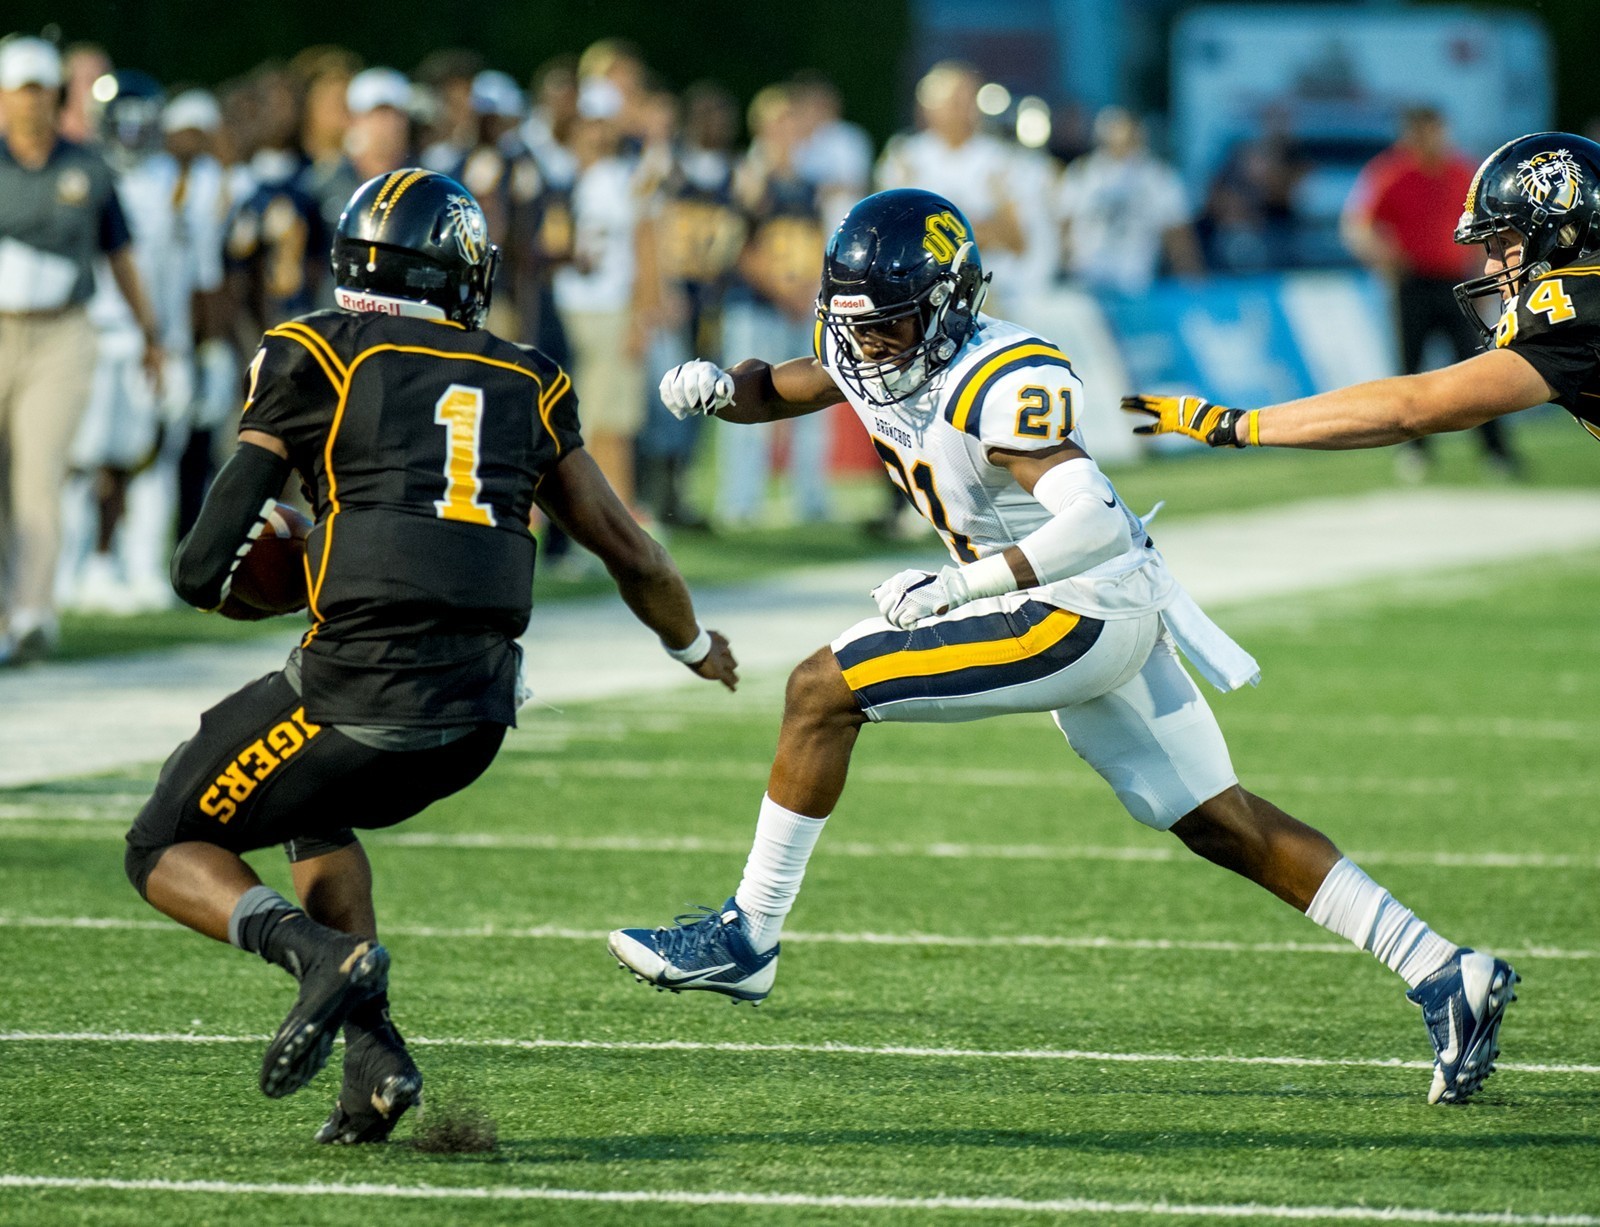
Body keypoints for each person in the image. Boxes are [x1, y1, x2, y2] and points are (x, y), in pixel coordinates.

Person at [610, 188, 1516, 1106]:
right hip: (1089, 608)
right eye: (855, 325)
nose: (865, 347)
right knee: (1217, 817)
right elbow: (791, 382)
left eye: (887, 327)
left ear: (949, 306)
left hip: (1072, 606)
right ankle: (1443, 968)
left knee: (821, 687)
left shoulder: (999, 375)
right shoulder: (876, 348)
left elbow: (1089, 518)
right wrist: (723, 391)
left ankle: (748, 936)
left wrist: (967, 581)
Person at [123, 170, 737, 1145]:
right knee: (310, 807)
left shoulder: (313, 349)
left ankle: (312, 953)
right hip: (480, 714)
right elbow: (634, 552)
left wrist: (294, 560)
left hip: (356, 689)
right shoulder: (527, 376)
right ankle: (372, 1067)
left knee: (158, 844)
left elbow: (201, 566)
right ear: (460, 274)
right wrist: (695, 646)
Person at [1121, 132, 1600, 455]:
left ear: (1568, 233)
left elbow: (1414, 407)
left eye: (1506, 243)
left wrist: (1236, 424)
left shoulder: (1576, 303)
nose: (1492, 265)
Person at [0, 36, 163, 664]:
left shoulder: (86, 168)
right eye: (21, 89)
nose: (31, 102)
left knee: (39, 470)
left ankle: (32, 609)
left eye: (41, 89)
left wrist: (150, 334)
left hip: (62, 330)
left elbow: (119, 255)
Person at [1342, 107, 1521, 480]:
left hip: (1455, 284)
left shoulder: (1462, 171)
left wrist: (1485, 275)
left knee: (1478, 368)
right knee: (1411, 368)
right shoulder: (1391, 172)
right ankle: (1415, 451)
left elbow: (1488, 227)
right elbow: (1357, 226)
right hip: (1413, 284)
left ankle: (1496, 452)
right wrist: (1385, 260)